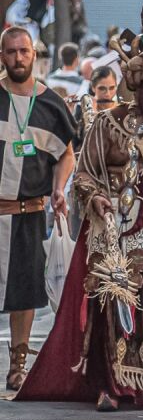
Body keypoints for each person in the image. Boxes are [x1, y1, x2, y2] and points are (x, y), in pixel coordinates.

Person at [19, 18, 143, 410]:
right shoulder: (111, 124)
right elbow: (85, 177)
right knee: (120, 306)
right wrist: (96, 200)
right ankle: (116, 383)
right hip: (122, 233)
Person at [0, 28, 75, 390]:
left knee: (23, 291)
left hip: (27, 213)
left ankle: (17, 364)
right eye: (11, 52)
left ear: (34, 54)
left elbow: (66, 154)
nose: (18, 58)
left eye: (23, 51)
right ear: (2, 56)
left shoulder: (50, 105)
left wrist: (58, 187)